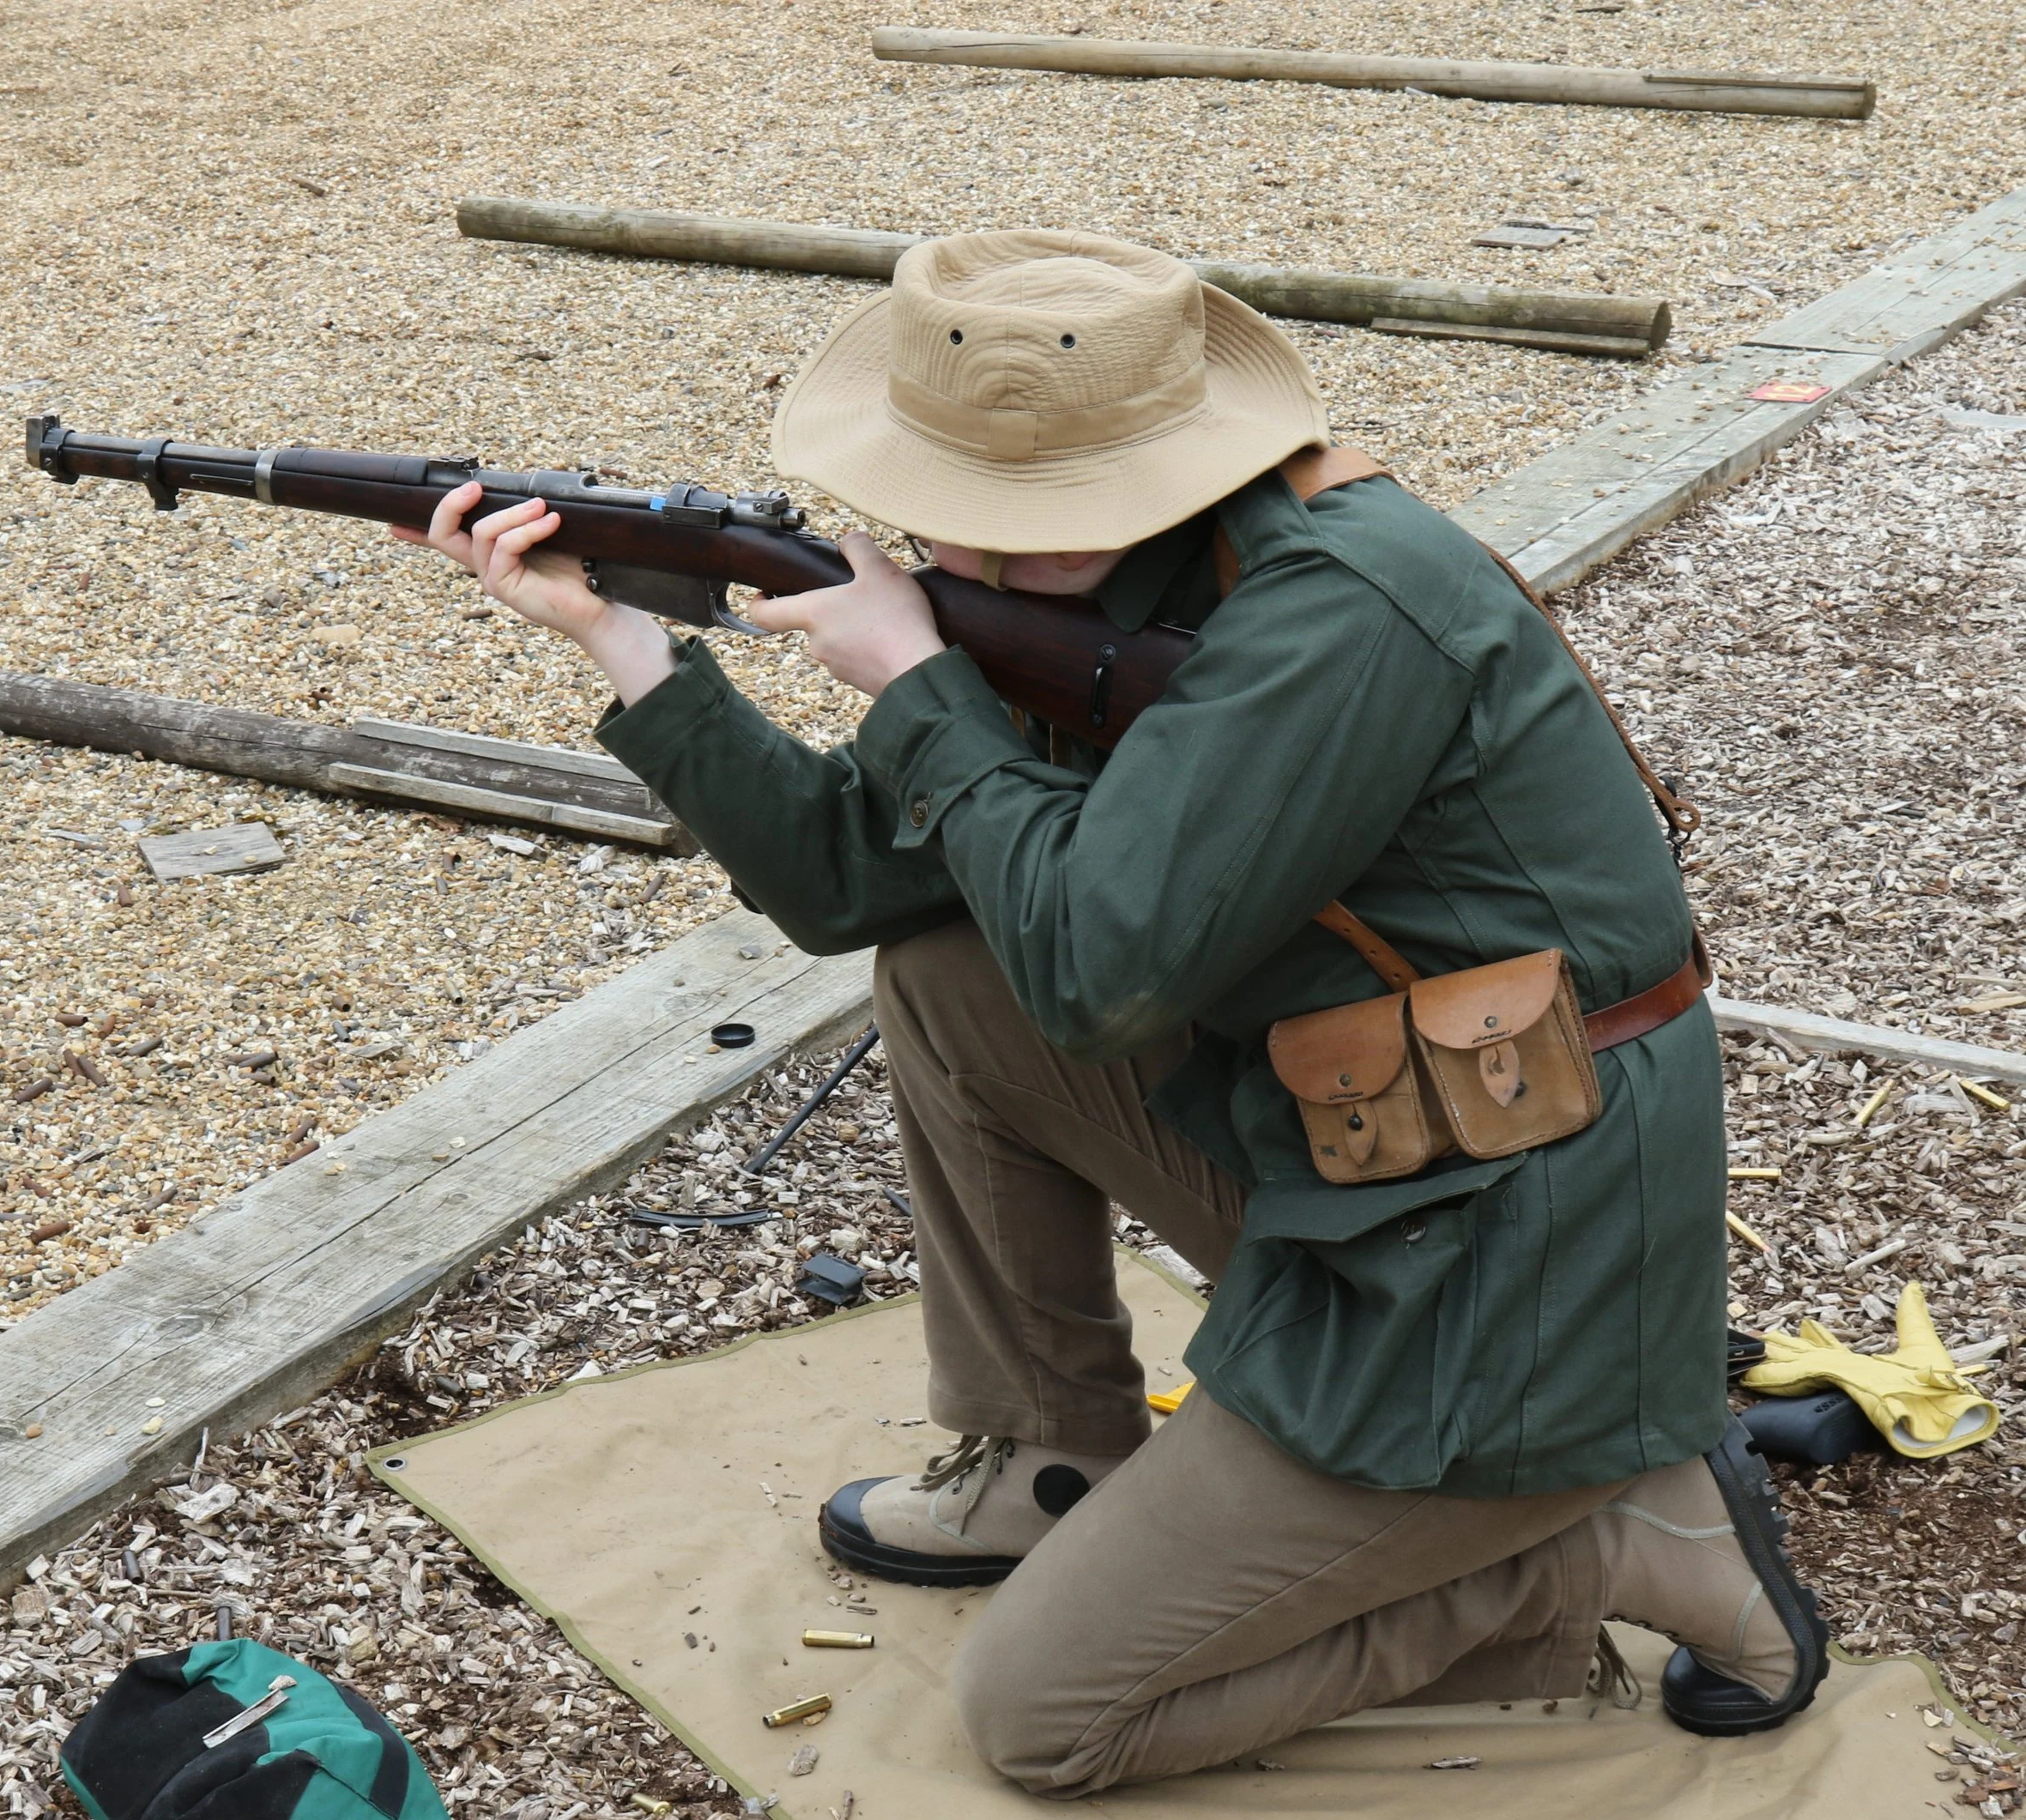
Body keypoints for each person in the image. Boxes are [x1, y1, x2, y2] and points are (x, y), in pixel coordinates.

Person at [395, 229, 1828, 1797]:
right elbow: (848, 889)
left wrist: (918, 685)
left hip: (1509, 1243)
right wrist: (632, 650)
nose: (987, 557)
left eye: (1034, 523)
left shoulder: (1338, 609)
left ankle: (1605, 1535)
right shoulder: (1098, 605)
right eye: (960, 518)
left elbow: (1099, 973)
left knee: (1047, 1718)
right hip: (1361, 1143)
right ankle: (1050, 1448)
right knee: (947, 979)